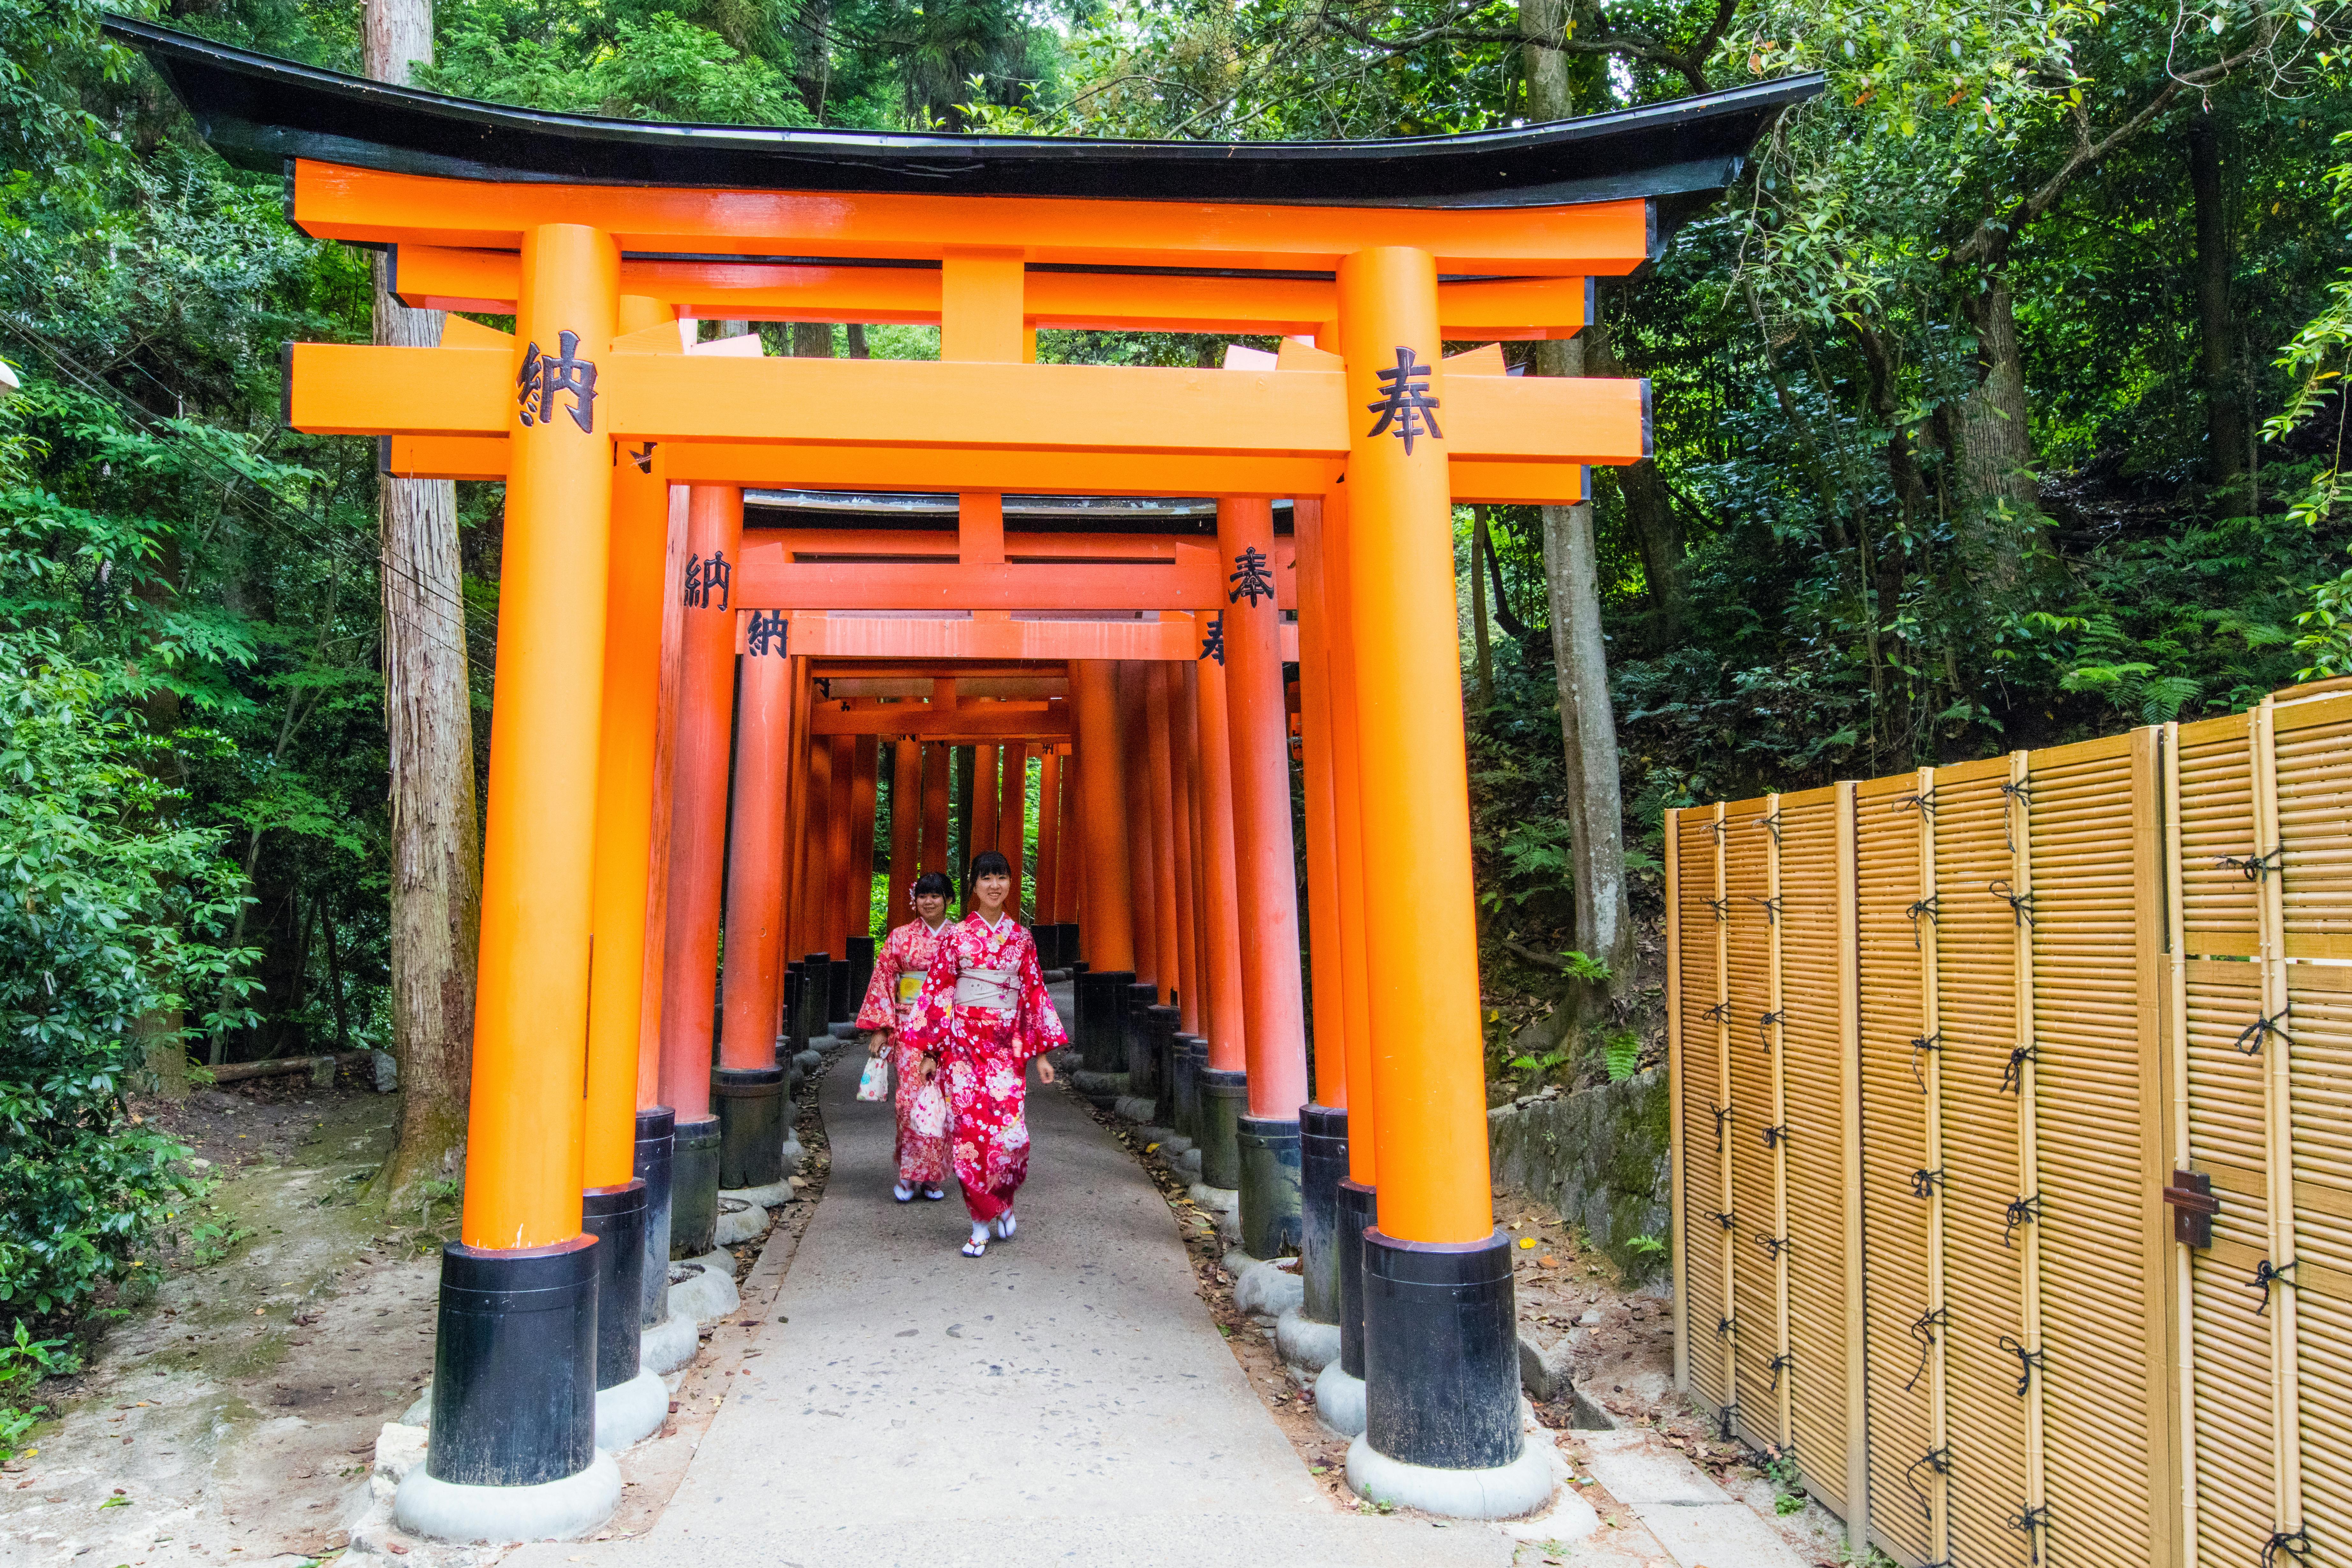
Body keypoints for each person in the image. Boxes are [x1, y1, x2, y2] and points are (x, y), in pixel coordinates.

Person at [900, 850, 1066, 1257]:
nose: (995, 885)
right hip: (963, 1051)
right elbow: (937, 991)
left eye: (1002, 878)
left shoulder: (1022, 938)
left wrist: (1042, 1055)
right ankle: (979, 1224)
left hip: (1008, 1051)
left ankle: (1004, 1201)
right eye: (986, 878)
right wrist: (931, 1052)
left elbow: (1033, 993)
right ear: (974, 886)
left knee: (1011, 1138)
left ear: (1011, 884)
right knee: (970, 1139)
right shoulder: (958, 937)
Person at [854, 871, 957, 1203]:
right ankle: (910, 1174)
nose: (929, 902)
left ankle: (934, 1176)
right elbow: (884, 978)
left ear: (949, 899)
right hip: (910, 1026)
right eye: (923, 896)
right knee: (909, 1101)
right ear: (915, 901)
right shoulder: (900, 938)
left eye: (936, 895)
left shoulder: (961, 938)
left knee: (944, 1103)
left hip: (950, 1030)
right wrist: (883, 1028)